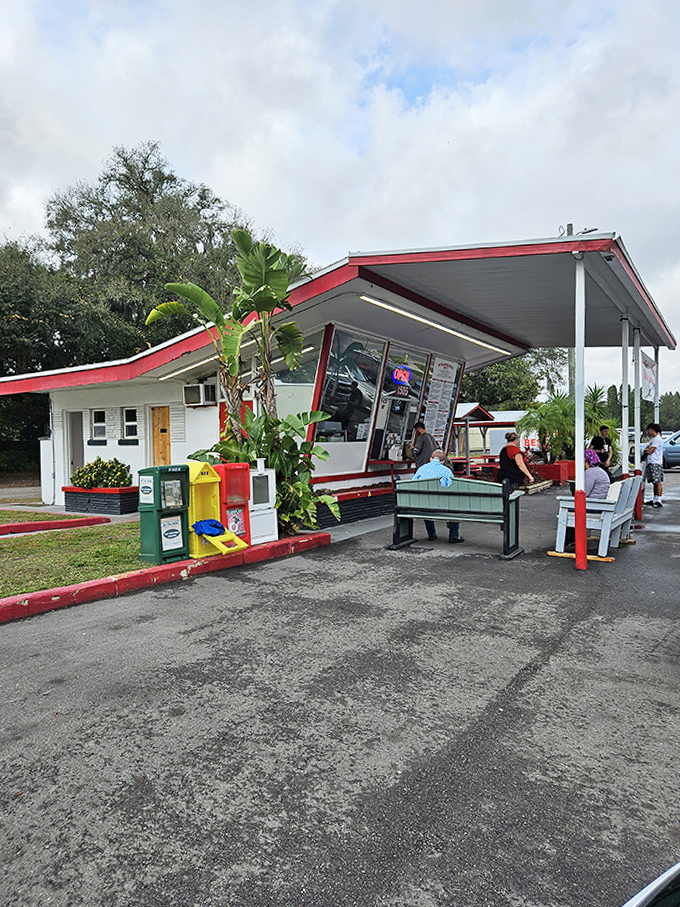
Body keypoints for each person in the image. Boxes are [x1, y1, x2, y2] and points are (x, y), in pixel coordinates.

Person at [412, 449, 464, 543]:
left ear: (430, 459)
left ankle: (431, 534)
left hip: (424, 504)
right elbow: (453, 487)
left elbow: (412, 483)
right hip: (443, 504)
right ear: (443, 461)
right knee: (455, 506)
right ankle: (453, 536)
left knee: (426, 505)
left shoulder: (422, 468)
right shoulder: (446, 471)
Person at [565, 449, 611, 545]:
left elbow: (585, 492)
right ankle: (572, 537)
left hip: (594, 506)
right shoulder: (599, 471)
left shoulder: (590, 472)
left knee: (569, 510)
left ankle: (569, 539)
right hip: (601, 504)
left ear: (586, 461)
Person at [643, 422, 664, 507]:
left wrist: (648, 451)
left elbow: (650, 451)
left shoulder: (657, 439)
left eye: (649, 429)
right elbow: (646, 449)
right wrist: (647, 450)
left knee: (657, 482)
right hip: (651, 462)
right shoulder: (653, 439)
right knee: (653, 482)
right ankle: (655, 498)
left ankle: (658, 500)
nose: (648, 431)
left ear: (653, 430)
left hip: (656, 462)